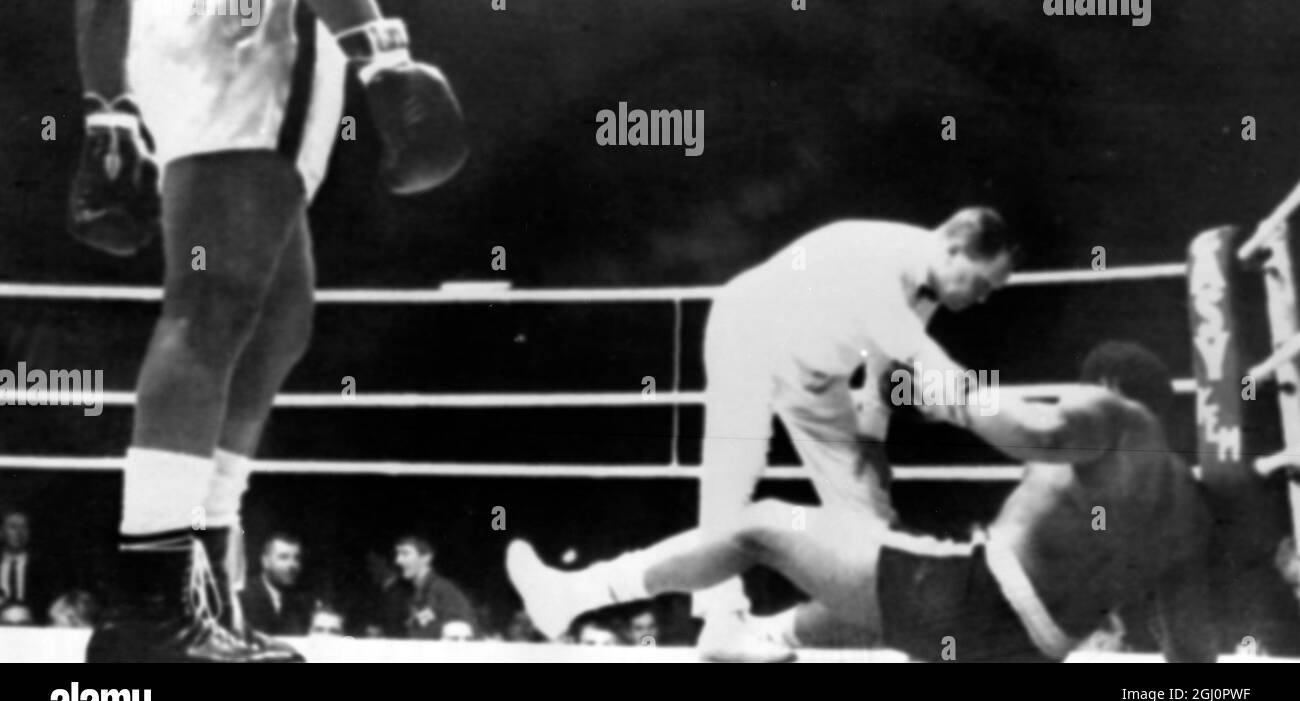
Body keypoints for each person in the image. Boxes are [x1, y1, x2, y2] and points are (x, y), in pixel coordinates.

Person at [72, 0, 468, 664]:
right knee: (211, 309)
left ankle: (197, 578)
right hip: (255, 4)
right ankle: (149, 609)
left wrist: (108, 112)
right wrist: (379, 48)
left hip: (175, 17)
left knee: (276, 313)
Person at [509, 342, 1218, 663]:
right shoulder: (1189, 511)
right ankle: (757, 640)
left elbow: (1043, 428)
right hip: (1029, 651)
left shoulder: (1112, 412)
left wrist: (941, 395)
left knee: (764, 523)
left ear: (1112, 388)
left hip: (973, 599)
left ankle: (572, 595)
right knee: (879, 587)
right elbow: (1191, 660)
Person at [694, 208, 1017, 659]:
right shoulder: (878, 259)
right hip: (748, 329)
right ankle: (720, 625)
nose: (982, 298)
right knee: (734, 474)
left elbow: (888, 361)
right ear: (953, 249)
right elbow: (919, 353)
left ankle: (900, 624)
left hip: (818, 376)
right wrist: (1008, 417)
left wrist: (871, 437)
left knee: (865, 505)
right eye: (982, 284)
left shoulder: (928, 284)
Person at [385, 535, 478, 640]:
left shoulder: (444, 591)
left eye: (405, 554)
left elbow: (462, 629)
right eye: (398, 554)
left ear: (426, 557)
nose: (398, 560)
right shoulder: (411, 593)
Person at [239, 533, 312, 637]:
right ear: (265, 561)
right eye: (283, 557)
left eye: (297, 558)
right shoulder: (243, 595)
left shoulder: (302, 602)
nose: (292, 565)